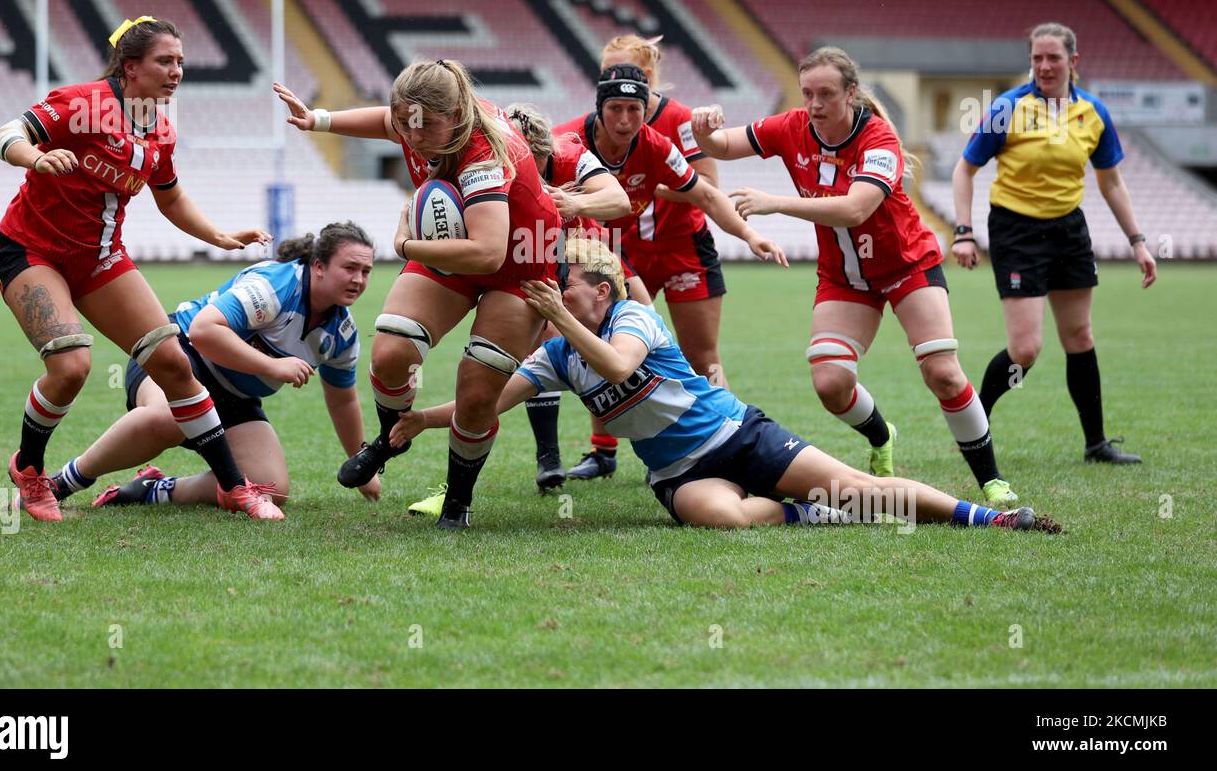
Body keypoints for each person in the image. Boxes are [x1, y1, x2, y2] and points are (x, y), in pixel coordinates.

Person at [389, 238, 1055, 533]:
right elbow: (486, 402)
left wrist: (560, 317)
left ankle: (992, 518)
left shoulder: (633, 317)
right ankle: (808, 514)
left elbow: (619, 368)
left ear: (599, 289)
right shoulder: (560, 354)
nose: (552, 298)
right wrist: (424, 418)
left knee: (869, 493)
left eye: (565, 289)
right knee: (724, 522)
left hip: (740, 437)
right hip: (681, 473)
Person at [690, 46, 1019, 507]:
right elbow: (723, 146)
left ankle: (991, 480)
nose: (815, 104)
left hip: (907, 266)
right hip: (845, 278)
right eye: (807, 93)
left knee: (942, 373)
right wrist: (706, 131)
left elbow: (855, 207)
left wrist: (777, 202)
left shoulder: (878, 138)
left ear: (851, 93)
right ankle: (882, 436)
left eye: (826, 93)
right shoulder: (791, 126)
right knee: (830, 383)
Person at [0, 15, 281, 522]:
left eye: (181, 62)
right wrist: (32, 158)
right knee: (72, 366)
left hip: (101, 259)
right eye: (165, 61)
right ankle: (30, 471)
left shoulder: (160, 130)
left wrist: (220, 235)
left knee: (173, 363)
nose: (176, 72)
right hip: (32, 252)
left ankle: (235, 488)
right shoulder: (82, 103)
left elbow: (172, 199)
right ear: (130, 68)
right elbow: (4, 133)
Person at [273, 60, 562, 529]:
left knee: (476, 387)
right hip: (455, 244)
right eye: (407, 122)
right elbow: (384, 121)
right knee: (391, 350)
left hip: (520, 260)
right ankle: (391, 438)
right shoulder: (416, 120)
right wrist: (318, 119)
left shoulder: (484, 154)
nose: (413, 135)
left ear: (457, 115)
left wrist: (406, 245)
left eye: (426, 125)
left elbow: (489, 253)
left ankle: (457, 503)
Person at [42, 221, 382, 509]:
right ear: (318, 266)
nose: (358, 280)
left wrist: (360, 463)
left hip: (233, 397)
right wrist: (273, 367)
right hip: (176, 358)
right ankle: (64, 482)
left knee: (271, 488)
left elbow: (343, 399)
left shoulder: (342, 334)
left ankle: (154, 491)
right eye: (349, 268)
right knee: (172, 415)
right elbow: (204, 332)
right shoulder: (276, 285)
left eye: (365, 271)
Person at [553, 63, 787, 481]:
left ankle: (729, 442)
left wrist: (750, 235)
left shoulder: (658, 142)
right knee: (599, 348)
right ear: (598, 107)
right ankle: (597, 453)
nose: (625, 120)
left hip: (679, 246)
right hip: (609, 253)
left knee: (698, 354)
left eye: (634, 109)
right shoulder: (567, 141)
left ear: (648, 105)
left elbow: (706, 193)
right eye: (615, 109)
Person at [404, 102, 634, 515]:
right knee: (521, 360)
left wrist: (575, 204)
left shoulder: (567, 151)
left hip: (583, 256)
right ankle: (537, 462)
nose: (518, 170)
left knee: (635, 335)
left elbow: (618, 200)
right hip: (528, 264)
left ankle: (611, 449)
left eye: (529, 161)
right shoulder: (482, 167)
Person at [952, 22, 1157, 465]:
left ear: (1073, 61)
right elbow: (964, 169)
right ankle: (973, 422)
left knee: (1080, 335)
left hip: (1069, 230)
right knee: (1025, 350)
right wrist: (964, 231)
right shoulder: (1008, 108)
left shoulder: (1094, 113)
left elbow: (1113, 183)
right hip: (1016, 230)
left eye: (1054, 58)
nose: (1045, 66)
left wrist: (1138, 242)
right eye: (1037, 58)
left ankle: (1096, 444)